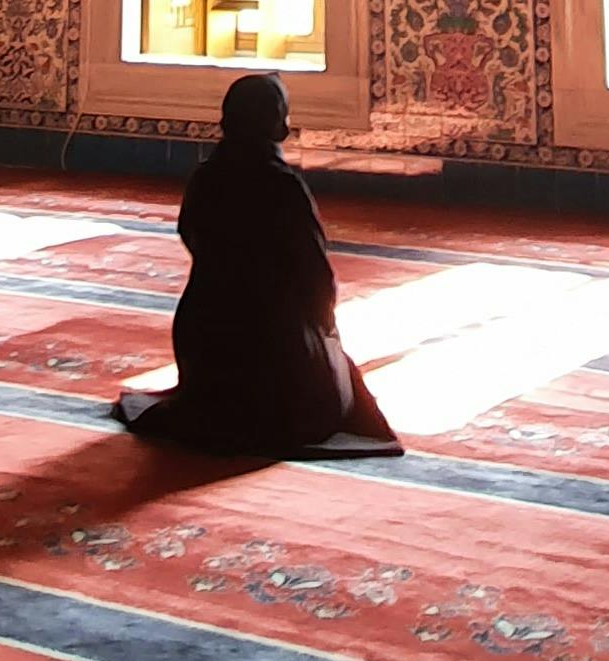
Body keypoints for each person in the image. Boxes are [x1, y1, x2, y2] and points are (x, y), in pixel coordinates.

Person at [118, 71, 402, 455]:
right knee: (336, 374)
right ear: (276, 123)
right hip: (279, 366)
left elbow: (192, 235)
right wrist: (323, 332)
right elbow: (316, 278)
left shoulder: (205, 178)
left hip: (206, 343)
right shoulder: (282, 187)